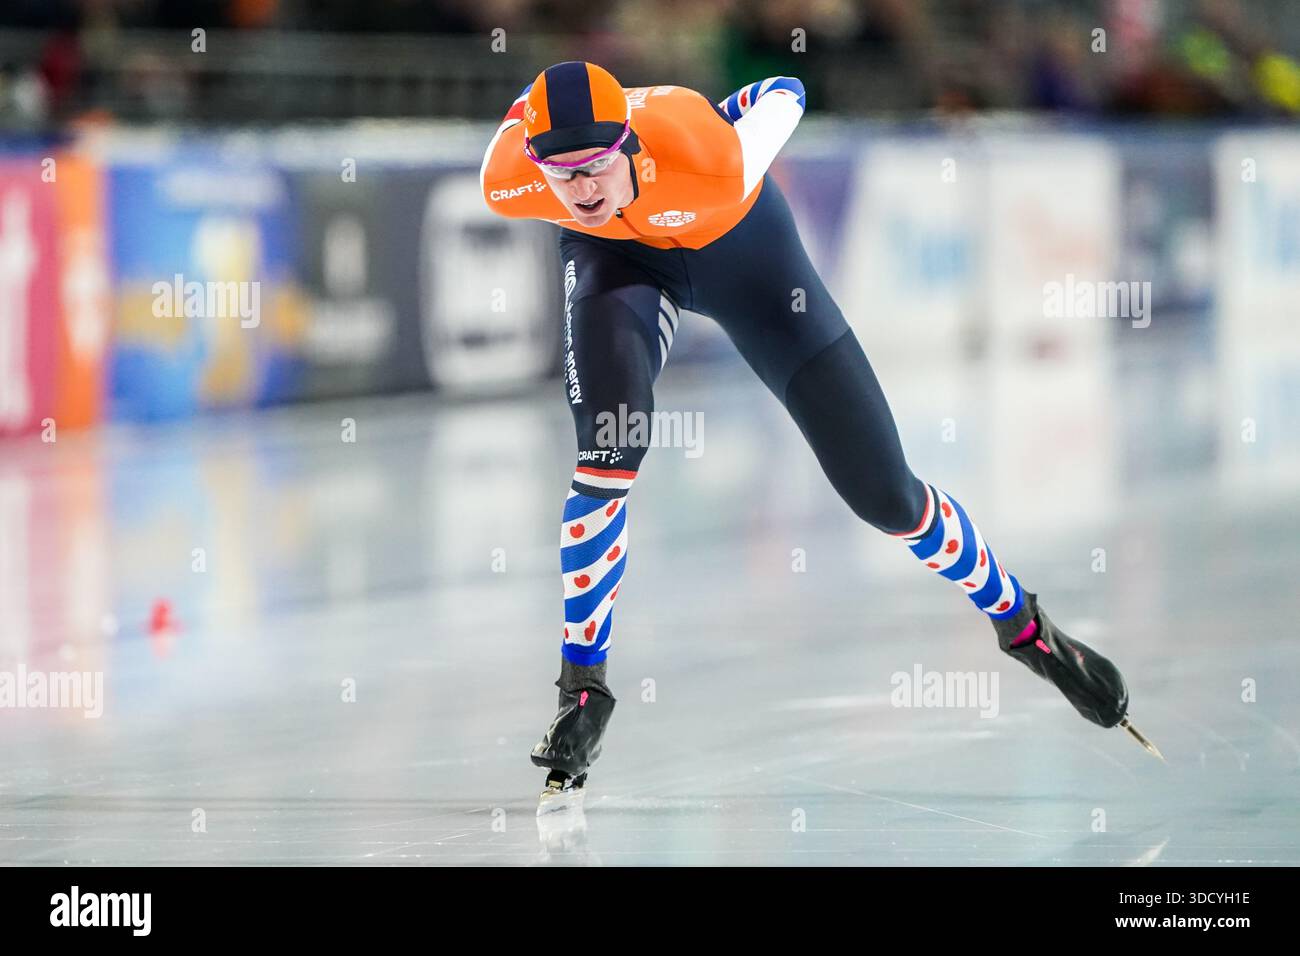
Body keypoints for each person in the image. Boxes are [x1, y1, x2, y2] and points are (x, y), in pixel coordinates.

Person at [479, 61, 1157, 803]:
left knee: (888, 499)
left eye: (596, 166)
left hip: (750, 264)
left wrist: (742, 124)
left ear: (630, 143)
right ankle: (584, 693)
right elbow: (528, 127)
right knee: (609, 452)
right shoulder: (509, 177)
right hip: (615, 265)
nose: (581, 189)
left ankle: (1024, 626)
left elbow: (785, 89)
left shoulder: (706, 153)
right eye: (562, 172)